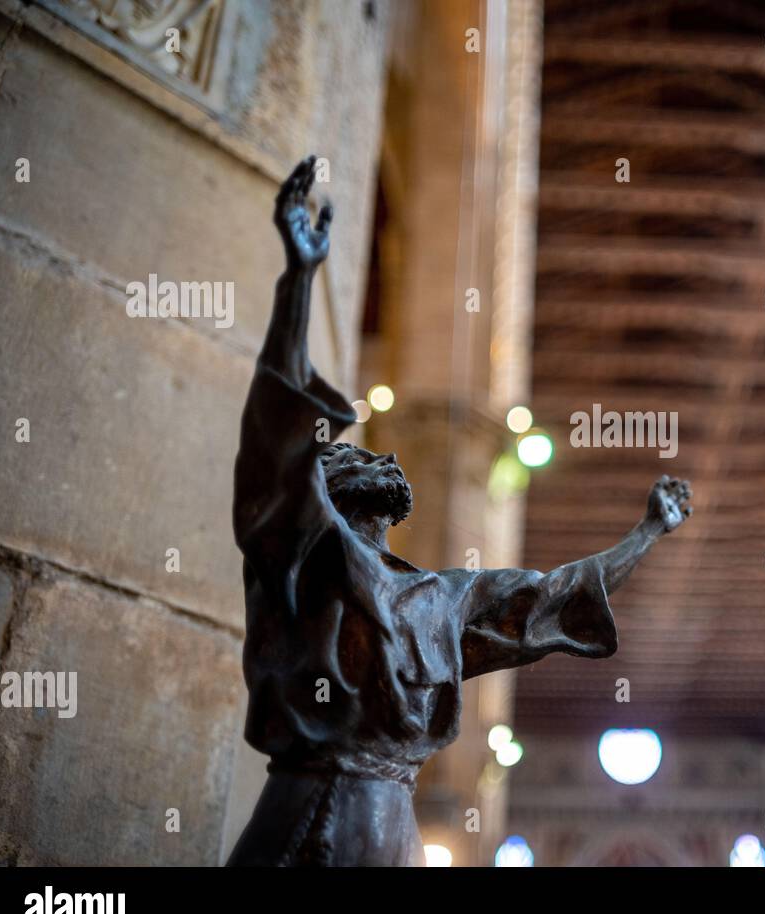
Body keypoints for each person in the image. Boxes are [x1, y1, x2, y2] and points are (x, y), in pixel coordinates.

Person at [227, 157, 693, 866]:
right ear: (325, 487)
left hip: (394, 831)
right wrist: (298, 283)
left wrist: (647, 532)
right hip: (303, 816)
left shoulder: (443, 598)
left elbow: (558, 594)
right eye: (356, 453)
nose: (385, 457)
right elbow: (273, 433)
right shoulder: (303, 553)